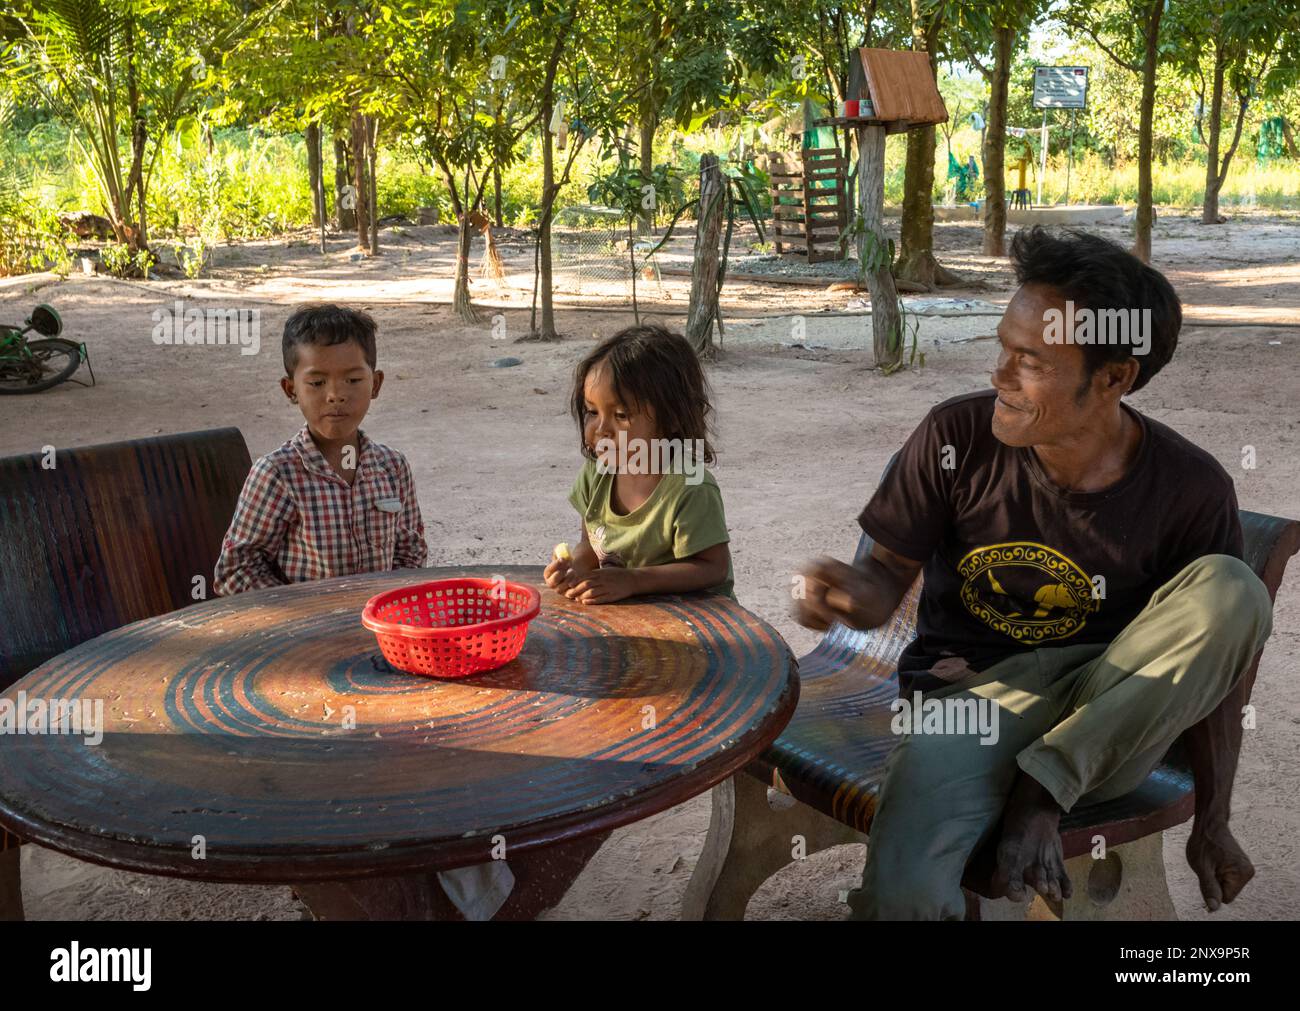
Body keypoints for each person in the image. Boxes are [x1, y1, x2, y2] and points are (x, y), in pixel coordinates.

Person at [795, 227, 1273, 919]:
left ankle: (1041, 791)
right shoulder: (955, 438)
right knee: (901, 894)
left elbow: (1214, 668)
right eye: (1002, 347)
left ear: (1113, 378)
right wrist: (840, 592)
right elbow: (880, 584)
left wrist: (1212, 820)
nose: (998, 374)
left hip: (1108, 713)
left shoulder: (1189, 487)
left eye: (1029, 360)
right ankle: (1034, 787)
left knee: (1234, 589)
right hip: (971, 701)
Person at [212, 305, 512, 921]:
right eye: (317, 381)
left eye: (352, 380)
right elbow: (236, 568)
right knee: (342, 777)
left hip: (393, 654)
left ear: (376, 384)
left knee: (443, 749)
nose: (335, 396)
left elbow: (411, 555)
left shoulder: (391, 467)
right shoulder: (278, 475)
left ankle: (468, 880)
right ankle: (347, 871)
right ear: (289, 389)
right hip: (308, 663)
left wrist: (409, 627)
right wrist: (302, 620)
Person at [545, 323, 734, 602]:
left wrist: (633, 580)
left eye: (621, 415)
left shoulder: (690, 486)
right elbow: (591, 544)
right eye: (592, 412)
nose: (601, 429)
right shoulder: (596, 474)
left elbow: (713, 568)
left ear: (672, 417)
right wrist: (575, 569)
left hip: (698, 621)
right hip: (633, 617)